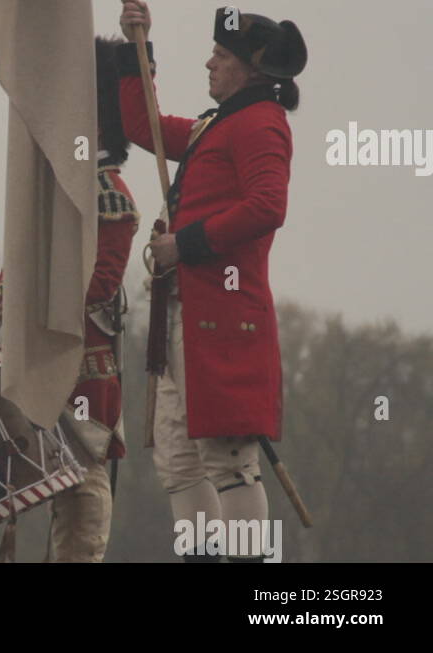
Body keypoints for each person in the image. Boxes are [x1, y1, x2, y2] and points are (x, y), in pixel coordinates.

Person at [117, 1, 307, 561]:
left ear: (252, 68)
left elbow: (268, 206)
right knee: (178, 459)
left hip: (223, 317)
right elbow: (140, 125)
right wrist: (137, 45)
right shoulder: (214, 125)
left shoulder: (261, 123)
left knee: (228, 459)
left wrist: (187, 243)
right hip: (184, 315)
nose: (209, 64)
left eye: (221, 56)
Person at [0, 36, 139, 563]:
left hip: (83, 363)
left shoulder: (107, 193)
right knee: (52, 487)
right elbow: (22, 264)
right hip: (44, 354)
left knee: (81, 486)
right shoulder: (56, 187)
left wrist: (27, 315)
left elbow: (98, 284)